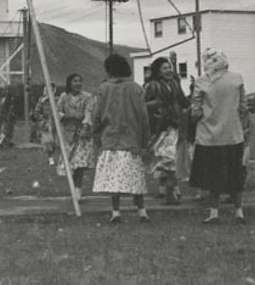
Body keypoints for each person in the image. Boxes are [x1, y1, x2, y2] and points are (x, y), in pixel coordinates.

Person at [189, 49, 253, 224]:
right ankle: (239, 212)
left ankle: (214, 213)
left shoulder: (202, 82)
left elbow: (195, 111)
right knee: (235, 174)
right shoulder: (237, 79)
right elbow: (243, 107)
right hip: (233, 134)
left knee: (212, 177)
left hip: (208, 136)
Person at [88, 53, 151, 223]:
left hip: (110, 139)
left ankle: (116, 212)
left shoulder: (104, 89)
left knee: (113, 178)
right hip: (132, 139)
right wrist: (145, 140)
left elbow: (97, 113)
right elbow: (144, 117)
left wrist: (95, 133)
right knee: (136, 176)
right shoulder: (136, 88)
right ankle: (142, 211)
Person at [144, 56, 191, 204]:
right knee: (165, 159)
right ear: (158, 71)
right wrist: (156, 104)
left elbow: (183, 100)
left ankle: (171, 193)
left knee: (170, 159)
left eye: (169, 67)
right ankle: (169, 191)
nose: (169, 70)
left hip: (174, 126)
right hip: (159, 128)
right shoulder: (152, 86)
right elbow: (142, 105)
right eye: (165, 68)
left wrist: (188, 109)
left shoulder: (175, 84)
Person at [50, 73, 96, 197]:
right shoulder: (64, 97)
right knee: (70, 163)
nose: (78, 83)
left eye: (80, 81)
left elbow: (89, 112)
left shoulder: (87, 97)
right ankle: (73, 186)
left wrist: (85, 124)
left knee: (79, 163)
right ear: (70, 83)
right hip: (68, 134)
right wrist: (66, 116)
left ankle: (78, 189)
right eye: (75, 81)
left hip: (82, 134)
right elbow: (57, 111)